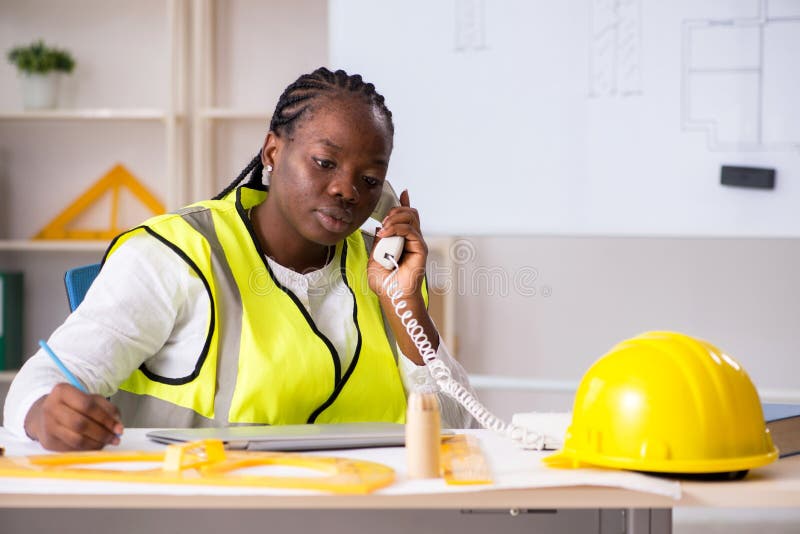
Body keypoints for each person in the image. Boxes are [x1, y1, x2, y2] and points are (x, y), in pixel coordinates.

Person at [4, 67, 476, 451]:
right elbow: (36, 387)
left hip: (367, 510)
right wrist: (44, 412)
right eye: (325, 162)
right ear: (273, 151)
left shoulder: (381, 269)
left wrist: (406, 308)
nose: (346, 191)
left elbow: (461, 432)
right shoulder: (177, 255)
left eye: (370, 179)